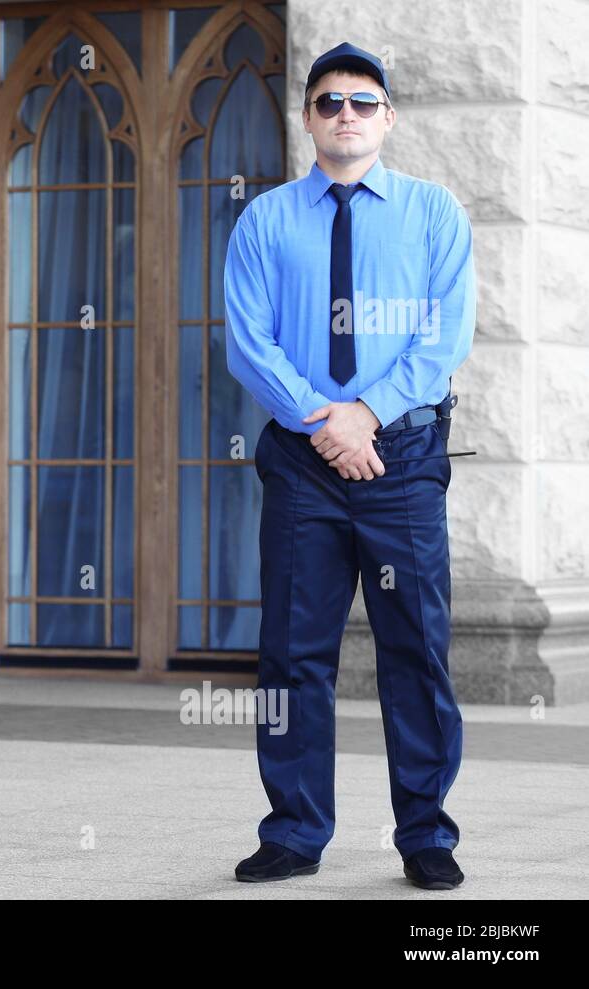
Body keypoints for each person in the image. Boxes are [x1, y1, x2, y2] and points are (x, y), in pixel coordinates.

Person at [222, 42, 476, 890]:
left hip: (400, 459)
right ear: (307, 118)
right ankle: (294, 831)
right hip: (302, 466)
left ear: (388, 117)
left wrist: (364, 415)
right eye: (329, 102)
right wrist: (324, 422)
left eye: (363, 103)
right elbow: (248, 345)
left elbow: (443, 338)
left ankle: (427, 835)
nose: (345, 115)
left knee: (416, 650)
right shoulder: (264, 221)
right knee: (293, 656)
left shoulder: (434, 214)